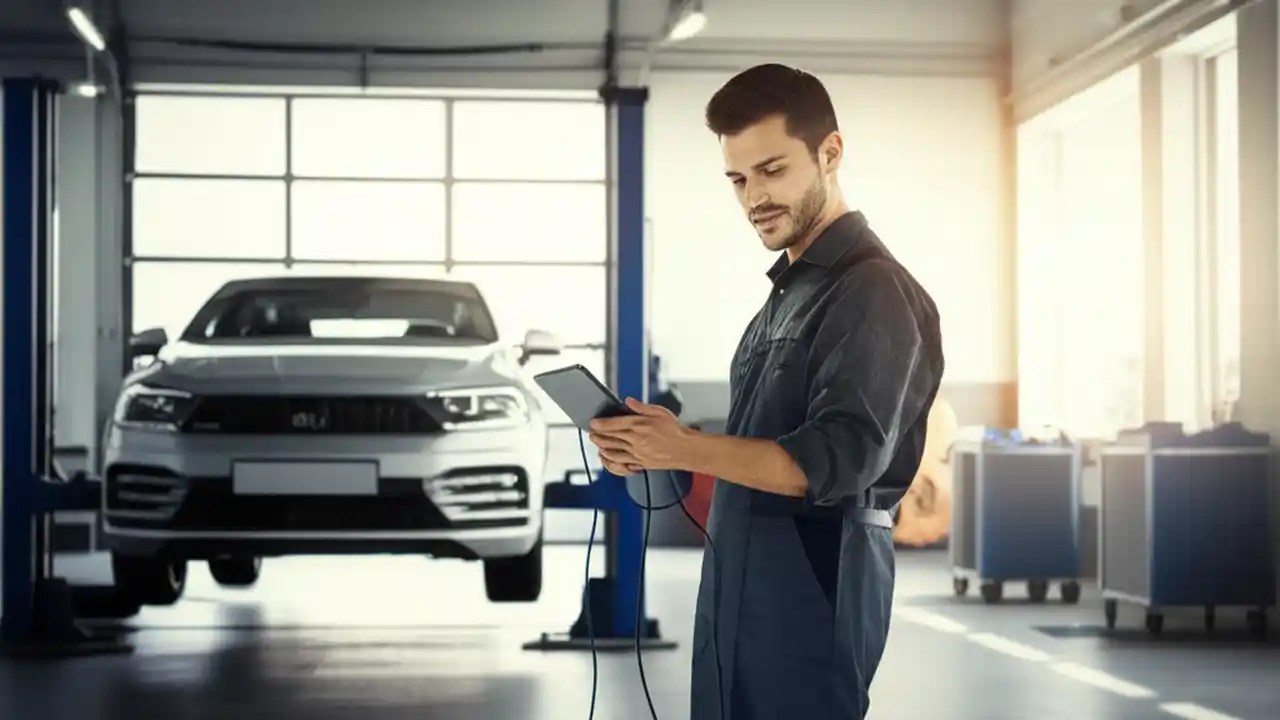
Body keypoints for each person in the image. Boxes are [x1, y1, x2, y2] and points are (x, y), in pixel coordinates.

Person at [588, 63, 945, 719]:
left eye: (773, 170)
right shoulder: (784, 298)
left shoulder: (871, 292)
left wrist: (687, 448)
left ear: (830, 152)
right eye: (737, 178)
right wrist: (654, 446)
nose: (754, 196)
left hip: (812, 598)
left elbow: (828, 461)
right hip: (738, 594)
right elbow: (754, 446)